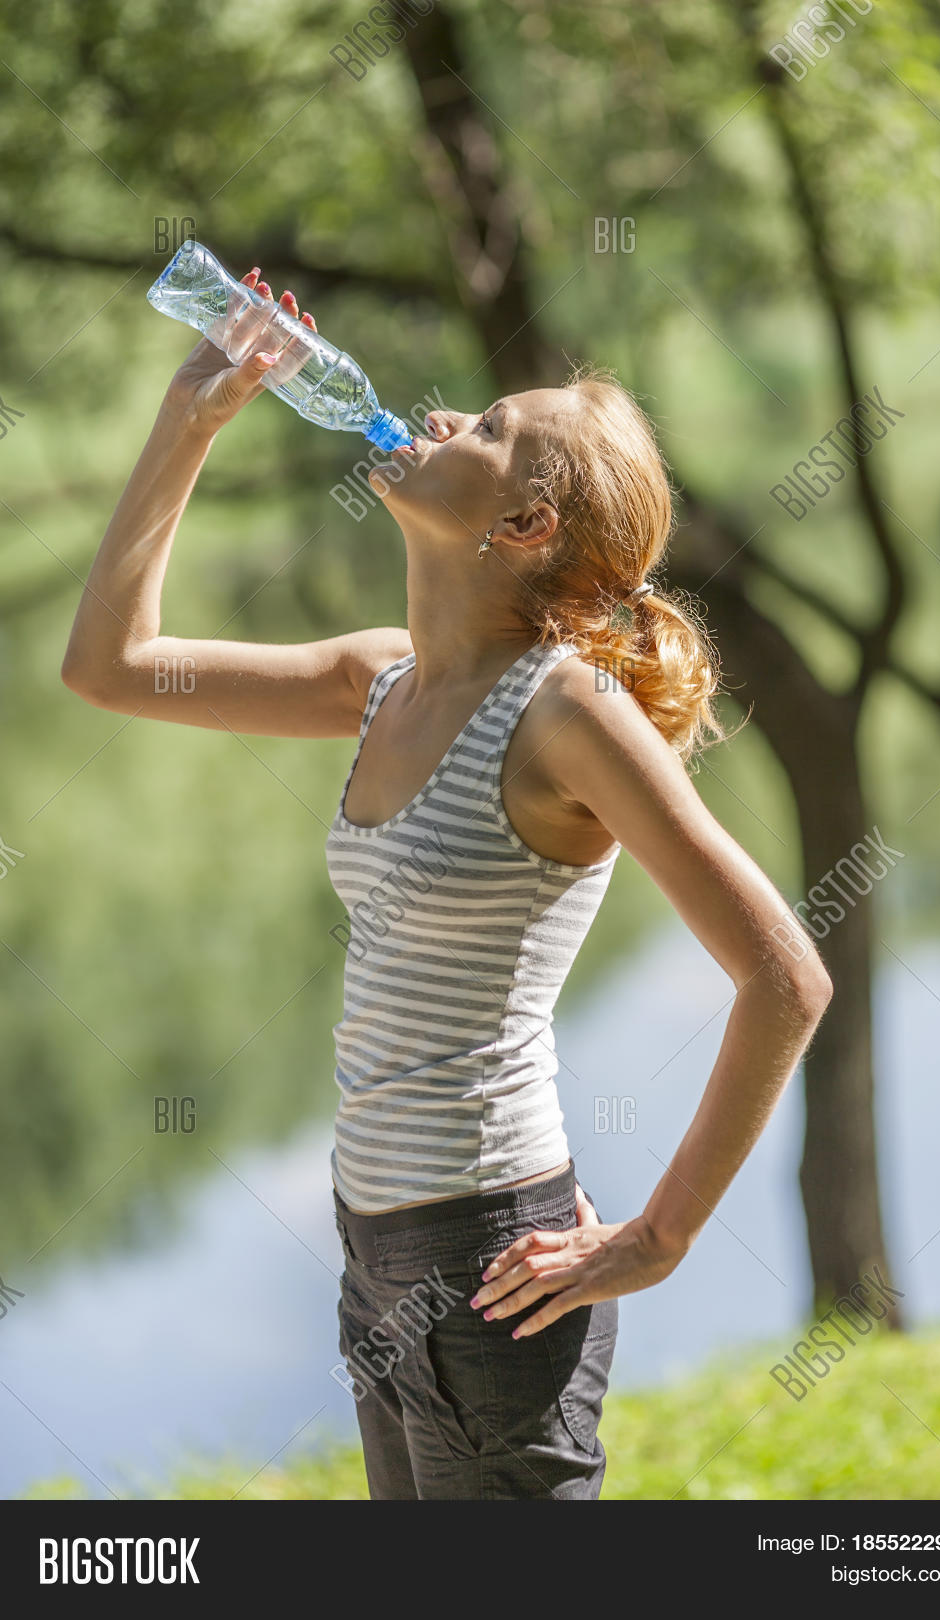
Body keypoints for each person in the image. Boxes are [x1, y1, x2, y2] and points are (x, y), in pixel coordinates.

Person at [62, 268, 833, 1500]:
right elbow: (112, 664)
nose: (437, 417)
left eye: (486, 427)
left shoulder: (566, 714)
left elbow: (785, 977)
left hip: (493, 1260)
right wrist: (187, 418)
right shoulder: (380, 682)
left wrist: (658, 1235)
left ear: (525, 524)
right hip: (376, 1250)